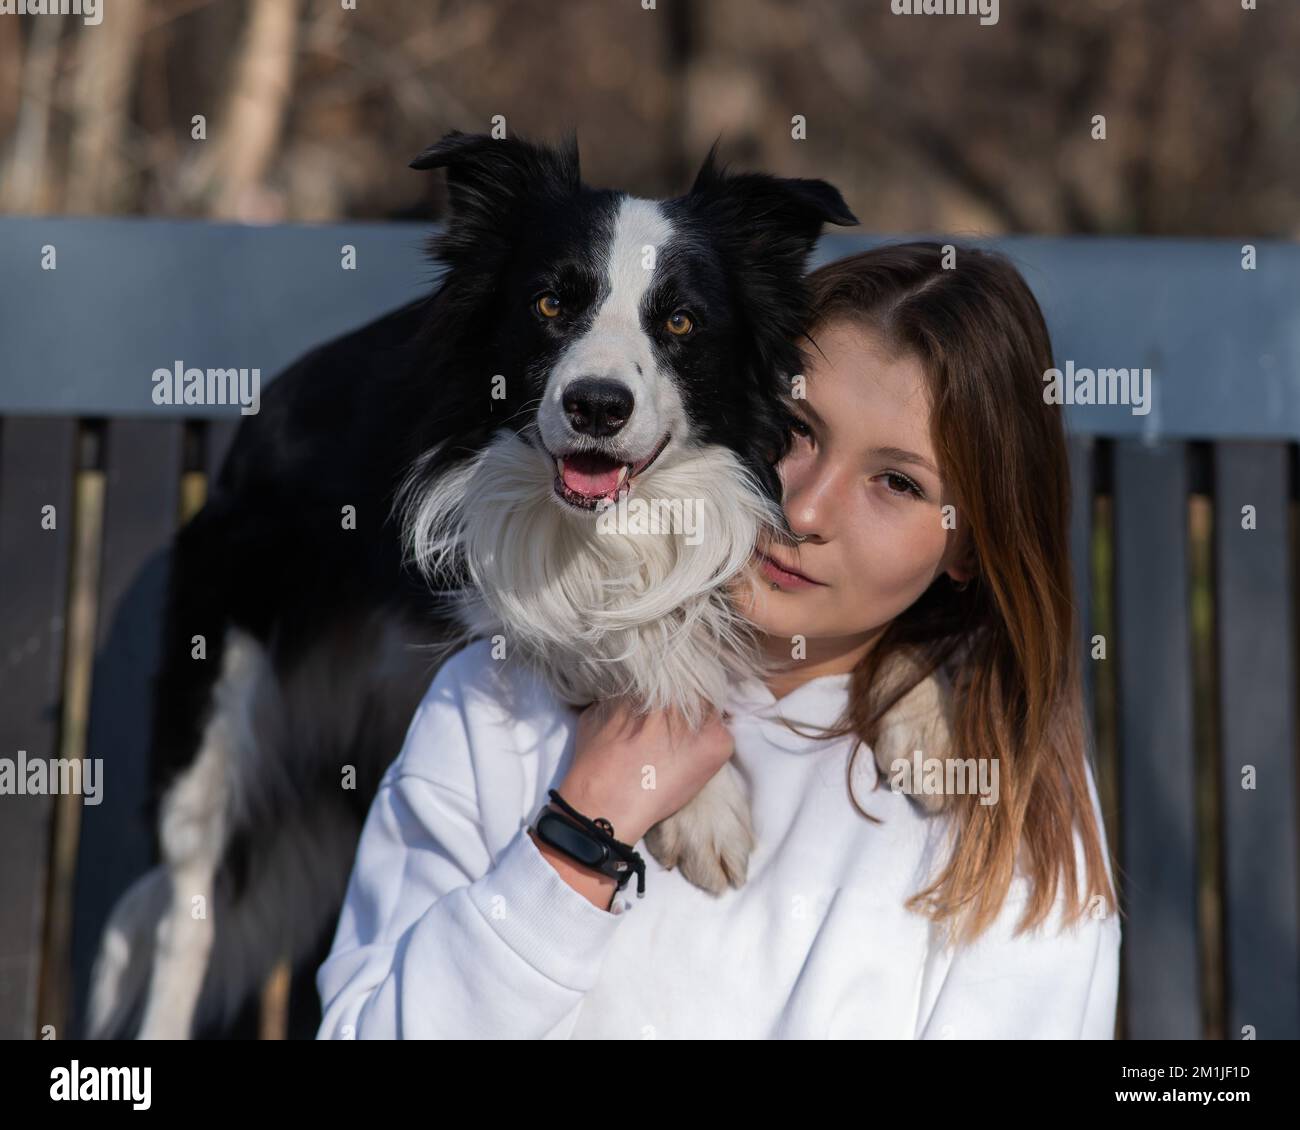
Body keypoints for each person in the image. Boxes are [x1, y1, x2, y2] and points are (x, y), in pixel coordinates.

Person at [314, 241, 1122, 1039]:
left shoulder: (1003, 794)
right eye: (795, 431)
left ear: (971, 545)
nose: (803, 511)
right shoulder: (497, 698)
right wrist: (579, 832)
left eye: (898, 483)